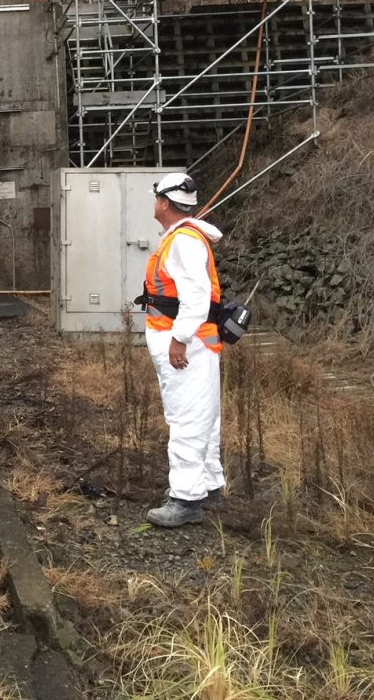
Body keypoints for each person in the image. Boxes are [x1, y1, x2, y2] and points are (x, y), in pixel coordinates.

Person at [141, 172, 225, 528]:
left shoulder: (183, 242)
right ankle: (208, 485)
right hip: (195, 342)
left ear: (163, 202)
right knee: (203, 414)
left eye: (156, 199)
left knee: (188, 418)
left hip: (188, 345)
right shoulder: (183, 238)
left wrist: (179, 339)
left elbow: (195, 296)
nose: (154, 204)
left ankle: (186, 500)